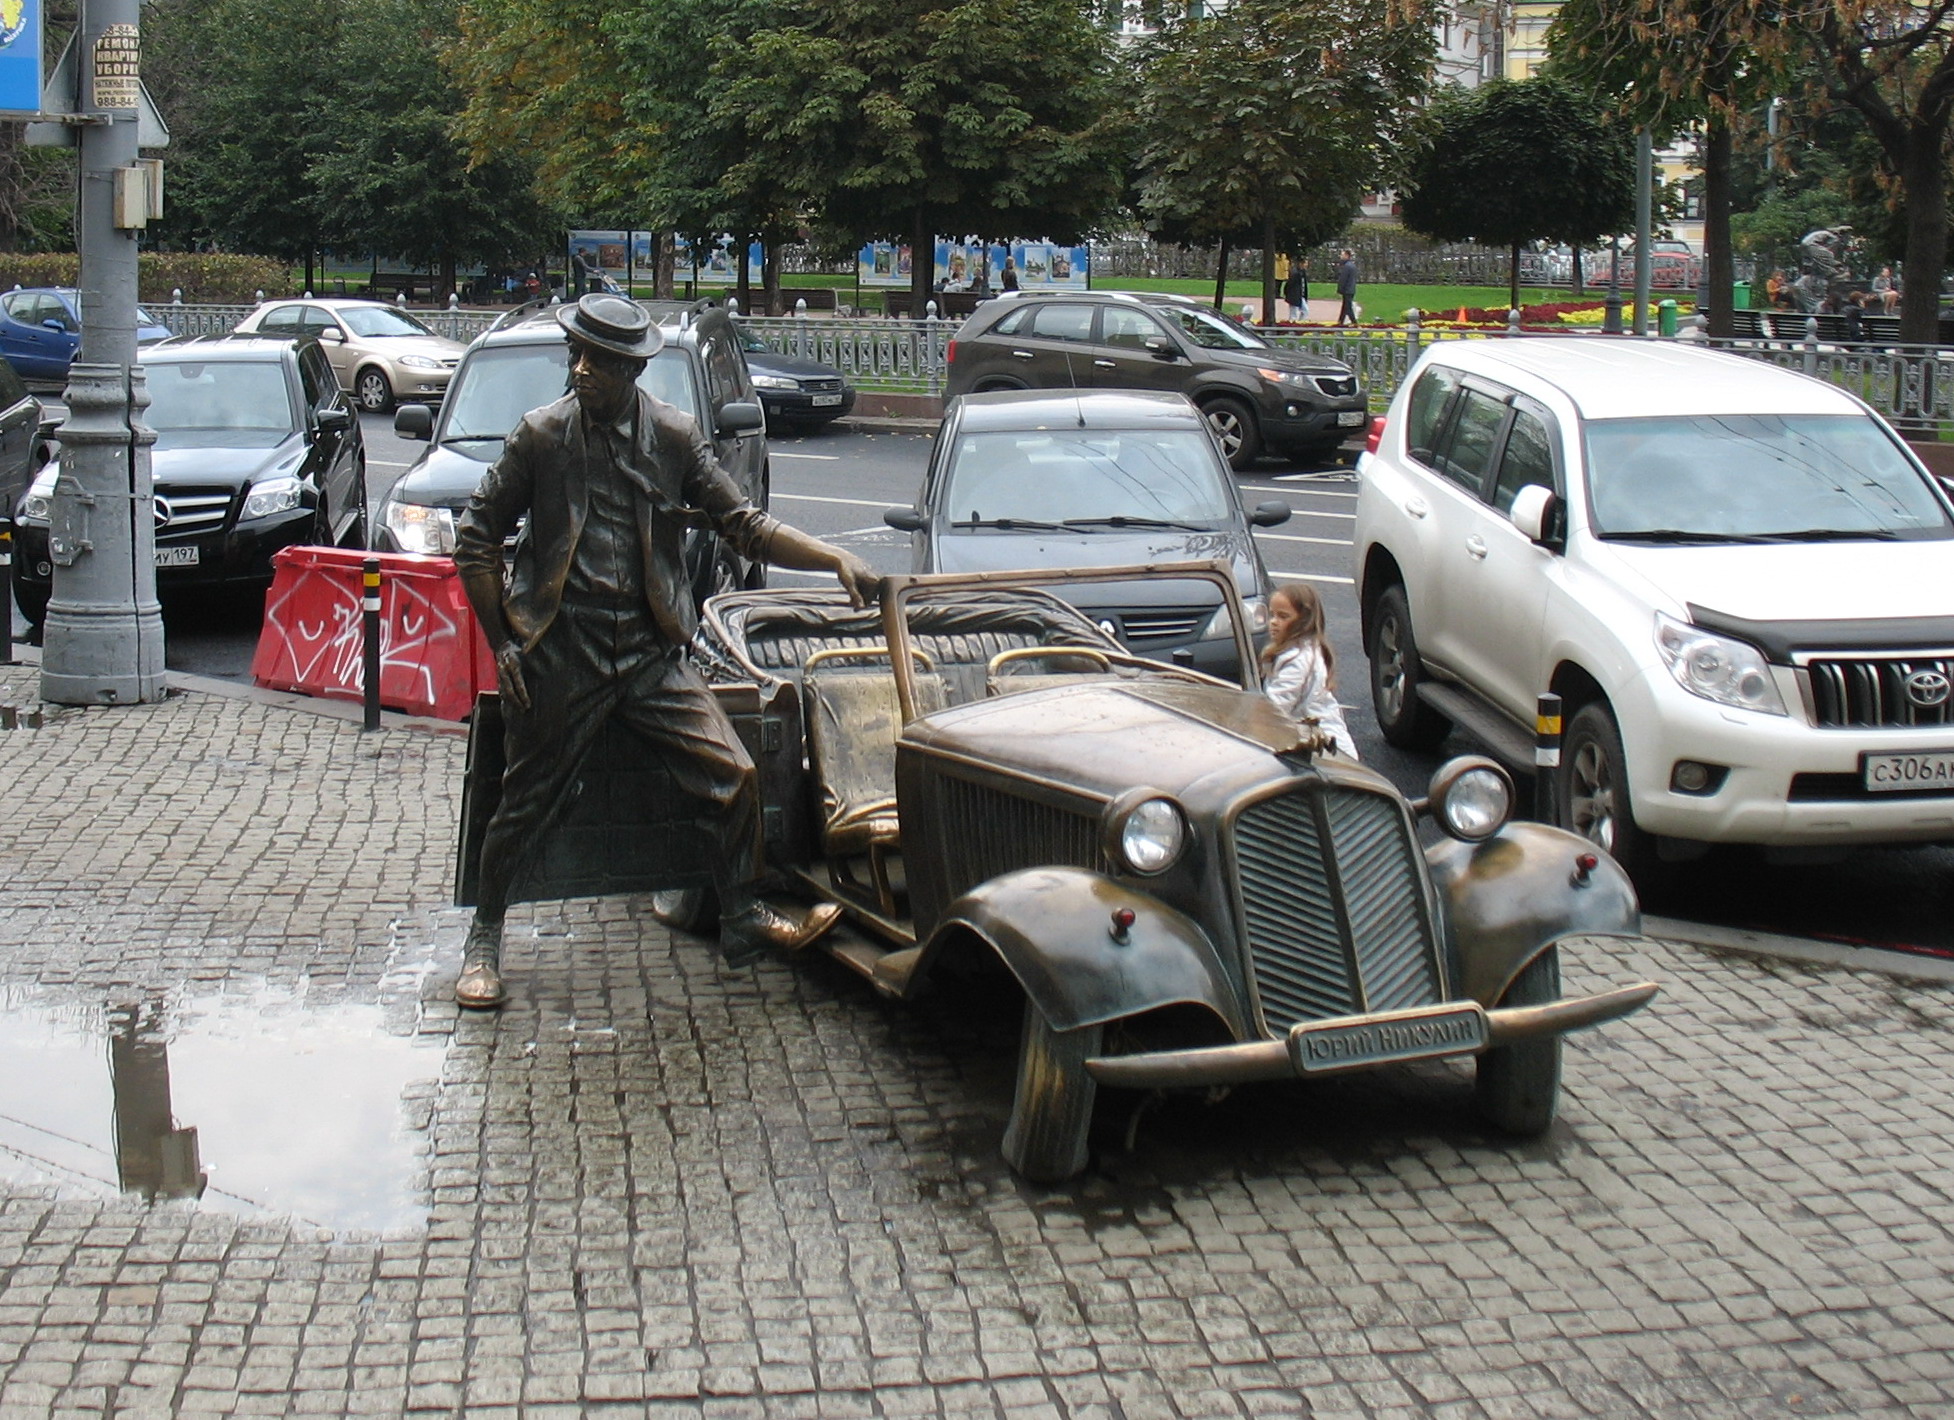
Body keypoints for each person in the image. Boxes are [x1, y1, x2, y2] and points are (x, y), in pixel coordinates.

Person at [450, 294, 879, 1009]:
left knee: (735, 775)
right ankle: (485, 938)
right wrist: (507, 645)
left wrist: (831, 556)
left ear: (629, 370)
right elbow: (476, 540)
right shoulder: (541, 436)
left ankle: (741, 915)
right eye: (576, 356)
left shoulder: (674, 437)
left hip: (649, 650)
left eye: (598, 361)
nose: (581, 371)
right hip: (565, 647)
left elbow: (743, 523)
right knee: (523, 801)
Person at [1260, 583, 1358, 760]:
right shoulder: (1305, 650)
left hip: (1325, 749)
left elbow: (1276, 706)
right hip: (1320, 742)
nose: (1274, 622)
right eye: (1272, 615)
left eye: (1283, 616)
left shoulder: (1297, 660)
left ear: (1302, 621)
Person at [1335, 249, 1358, 326]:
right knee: (1345, 306)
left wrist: (1339, 290)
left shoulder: (1346, 266)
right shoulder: (1352, 265)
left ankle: (1354, 322)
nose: (1341, 256)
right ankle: (1340, 321)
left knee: (1348, 307)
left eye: (1342, 255)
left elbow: (1343, 279)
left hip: (1347, 290)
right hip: (1351, 289)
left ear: (1347, 256)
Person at [1282, 256, 1305, 323]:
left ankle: (1300, 323)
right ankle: (1293, 325)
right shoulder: (1296, 273)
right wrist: (1286, 293)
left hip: (1299, 296)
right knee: (1293, 314)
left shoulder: (1301, 272)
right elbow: (1289, 284)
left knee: (1305, 311)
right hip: (1294, 296)